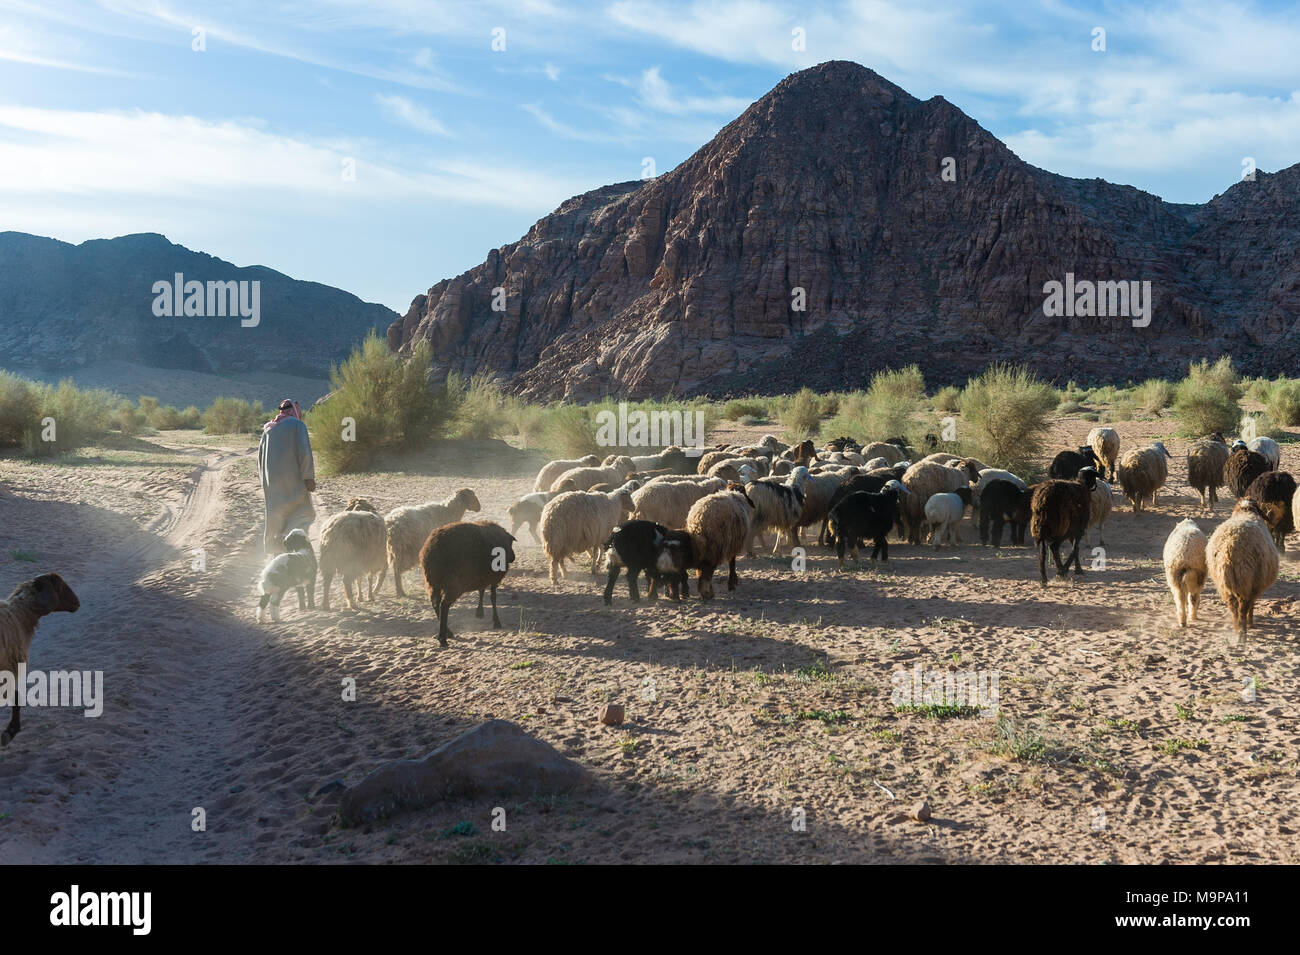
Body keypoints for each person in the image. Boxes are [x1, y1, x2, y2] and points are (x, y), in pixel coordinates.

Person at [259, 398, 316, 554]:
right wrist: (308, 477)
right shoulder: (297, 425)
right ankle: (289, 542)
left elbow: (260, 459)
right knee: (303, 514)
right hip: (294, 483)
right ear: (296, 411)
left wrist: (265, 484)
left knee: (276, 517)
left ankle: (275, 548)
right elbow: (304, 452)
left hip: (273, 486)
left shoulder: (268, 429)